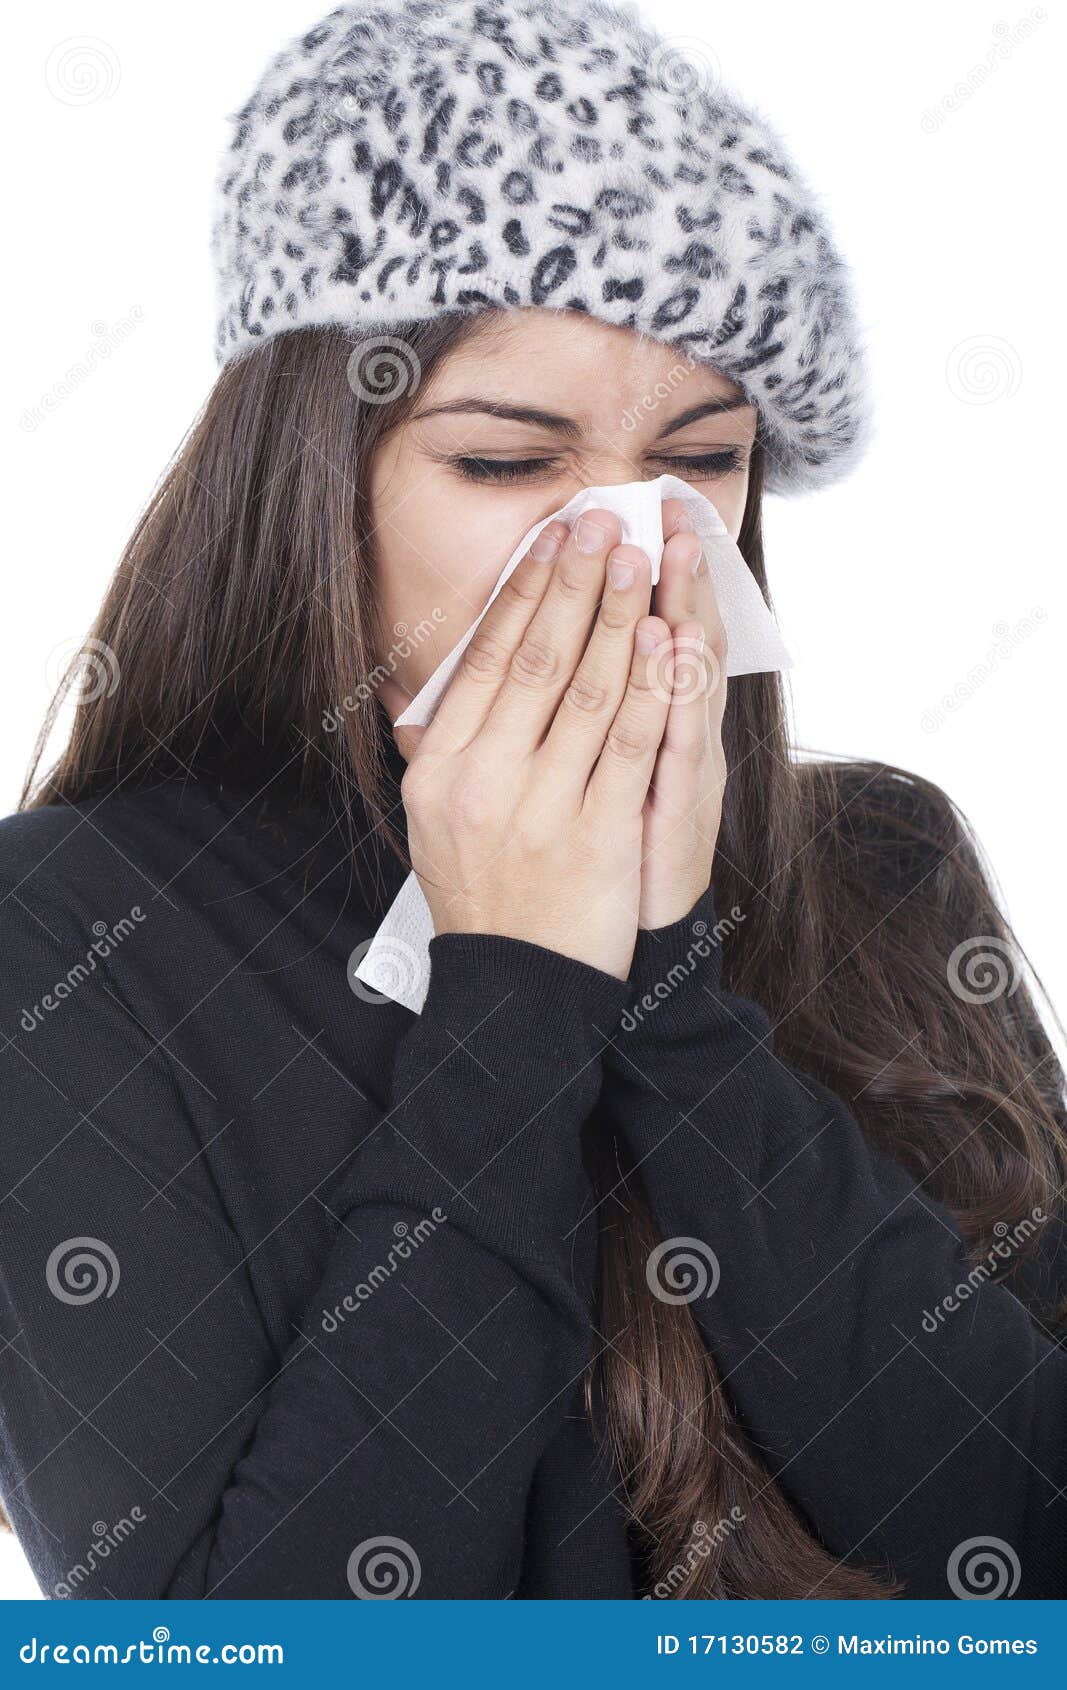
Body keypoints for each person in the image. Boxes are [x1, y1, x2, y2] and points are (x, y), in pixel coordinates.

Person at [0, 0, 1063, 1601]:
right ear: (309, 484)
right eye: (506, 463)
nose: (629, 551)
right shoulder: (70, 935)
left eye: (699, 459)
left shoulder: (879, 864)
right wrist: (515, 987)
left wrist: (667, 974)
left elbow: (1025, 1542)